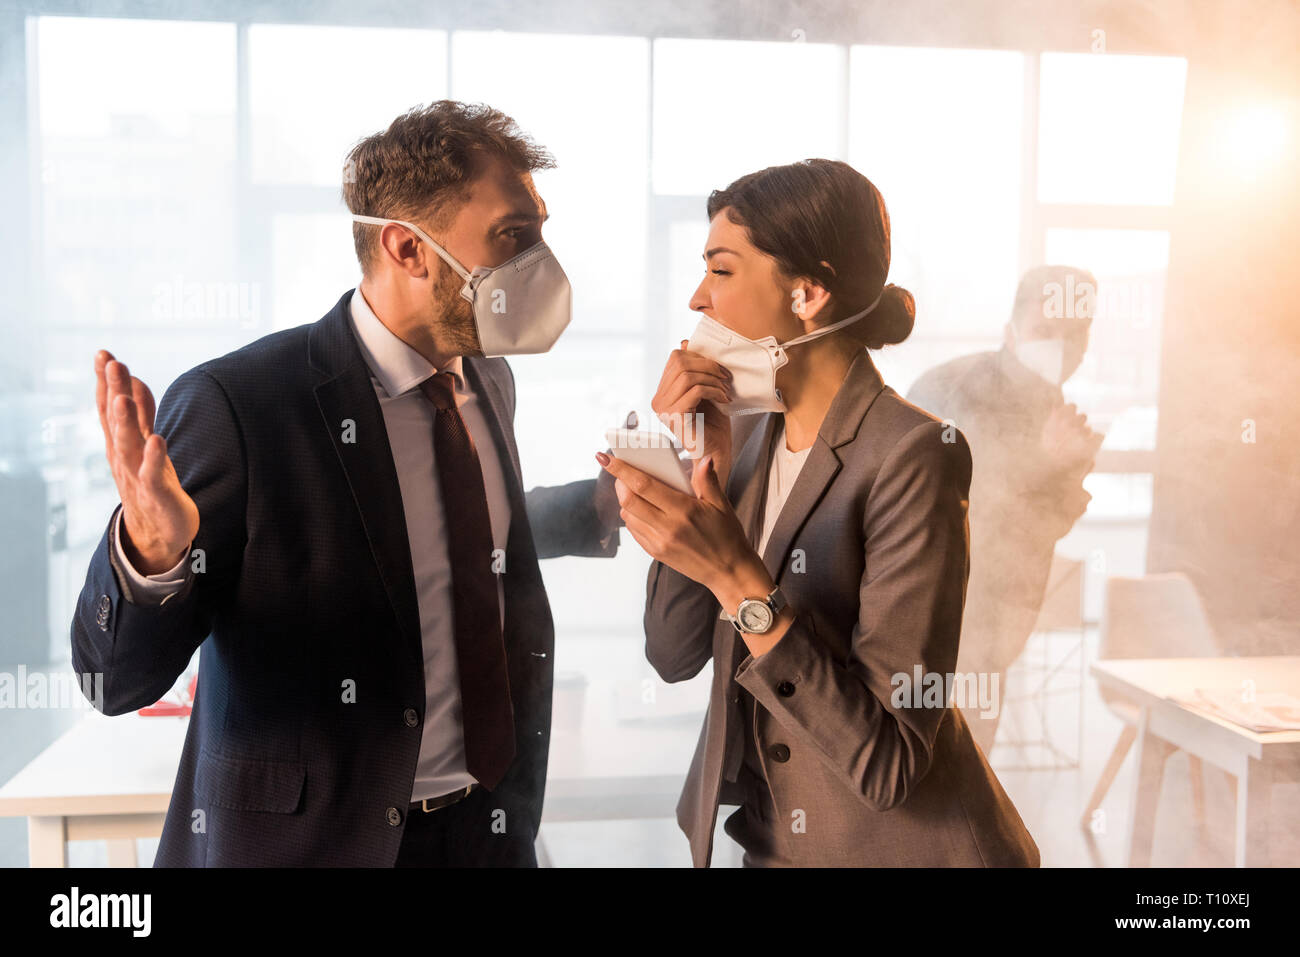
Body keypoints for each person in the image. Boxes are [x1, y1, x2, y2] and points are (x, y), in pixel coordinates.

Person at [71, 101, 621, 867]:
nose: (540, 262)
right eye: (512, 236)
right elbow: (109, 682)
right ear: (407, 247)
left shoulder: (487, 379)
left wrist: (588, 507)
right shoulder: (243, 404)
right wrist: (152, 554)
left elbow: (437, 536)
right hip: (314, 845)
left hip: (485, 834)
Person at [597, 159, 1040, 866]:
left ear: (806, 291)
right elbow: (673, 653)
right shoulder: (740, 440)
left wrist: (746, 586)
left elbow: (887, 763)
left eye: (721, 270)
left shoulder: (914, 453)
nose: (696, 299)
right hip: (773, 844)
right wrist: (686, 472)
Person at [906, 265, 1102, 757]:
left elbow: (1044, 525)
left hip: (998, 628)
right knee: (924, 781)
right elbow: (936, 513)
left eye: (1075, 335)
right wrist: (1048, 462)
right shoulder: (954, 389)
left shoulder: (1052, 404)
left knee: (973, 776)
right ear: (1011, 333)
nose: (1060, 347)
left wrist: (1069, 467)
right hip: (931, 623)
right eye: (1045, 331)